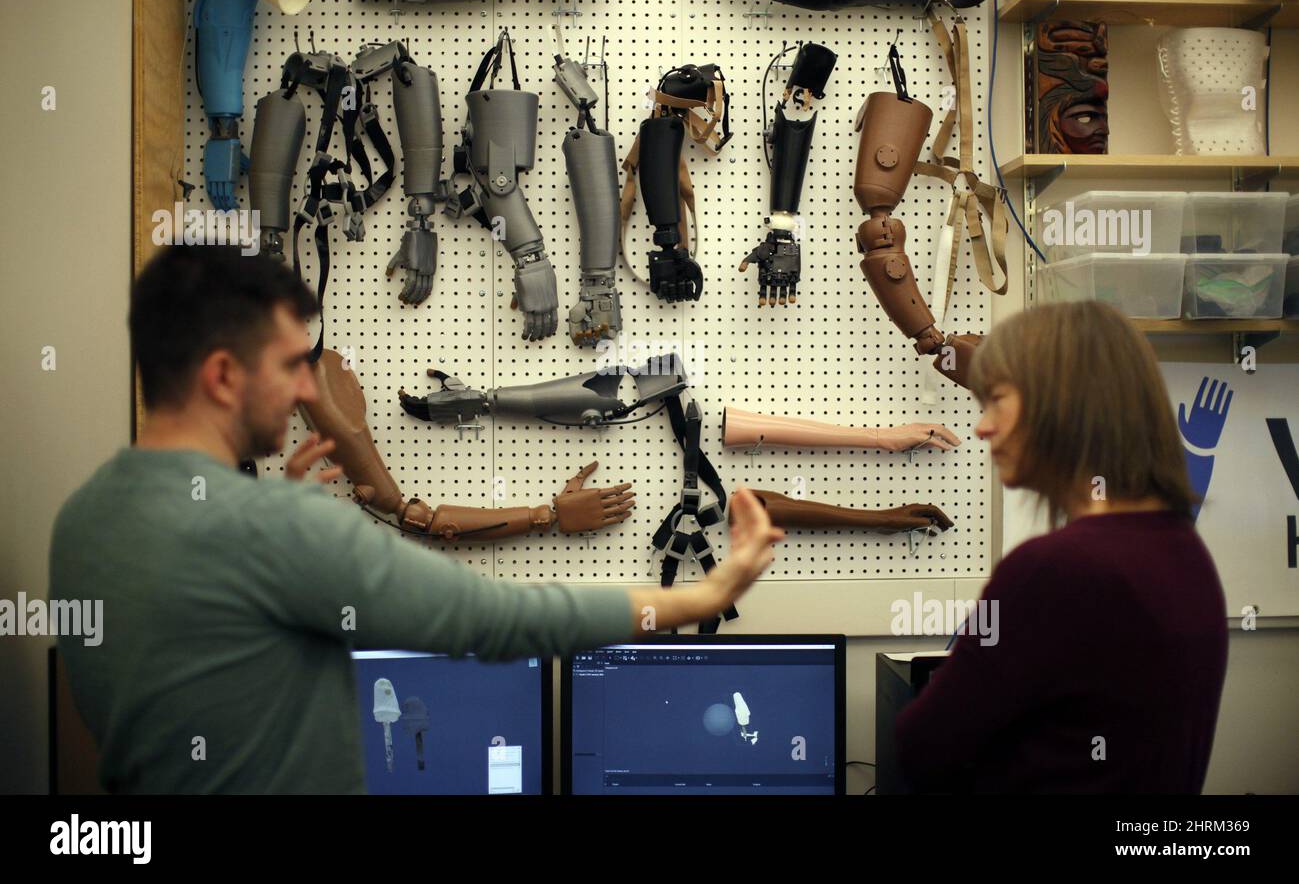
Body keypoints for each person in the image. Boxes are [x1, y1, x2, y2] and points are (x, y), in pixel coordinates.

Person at [49, 245, 784, 793]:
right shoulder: (269, 529)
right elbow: (494, 622)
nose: (309, 387)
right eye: (288, 366)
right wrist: (707, 596)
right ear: (220, 376)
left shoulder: (83, 520)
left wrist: (296, 526)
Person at [895, 300, 1227, 793]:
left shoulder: (1058, 568)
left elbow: (920, 747)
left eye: (996, 400)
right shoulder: (1185, 551)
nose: (982, 427)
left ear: (1060, 403)